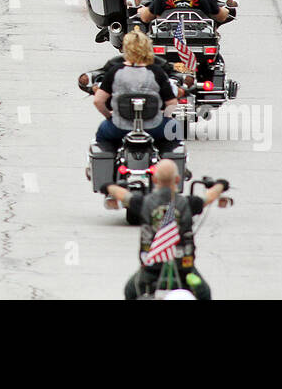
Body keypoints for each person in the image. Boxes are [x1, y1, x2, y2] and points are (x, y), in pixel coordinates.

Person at [104, 160, 228, 300]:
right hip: (184, 269)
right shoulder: (188, 203)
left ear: (154, 179)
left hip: (151, 270)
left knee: (130, 291)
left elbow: (123, 195)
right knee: (205, 294)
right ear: (177, 179)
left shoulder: (144, 203)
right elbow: (209, 197)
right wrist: (221, 185)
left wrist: (109, 187)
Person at [91, 30, 180, 153]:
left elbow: (98, 101)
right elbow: (172, 103)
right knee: (173, 132)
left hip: (119, 126)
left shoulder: (115, 71)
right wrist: (164, 117)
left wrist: (110, 116)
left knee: (102, 136)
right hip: (154, 126)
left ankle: (108, 164)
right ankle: (167, 164)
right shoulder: (157, 72)